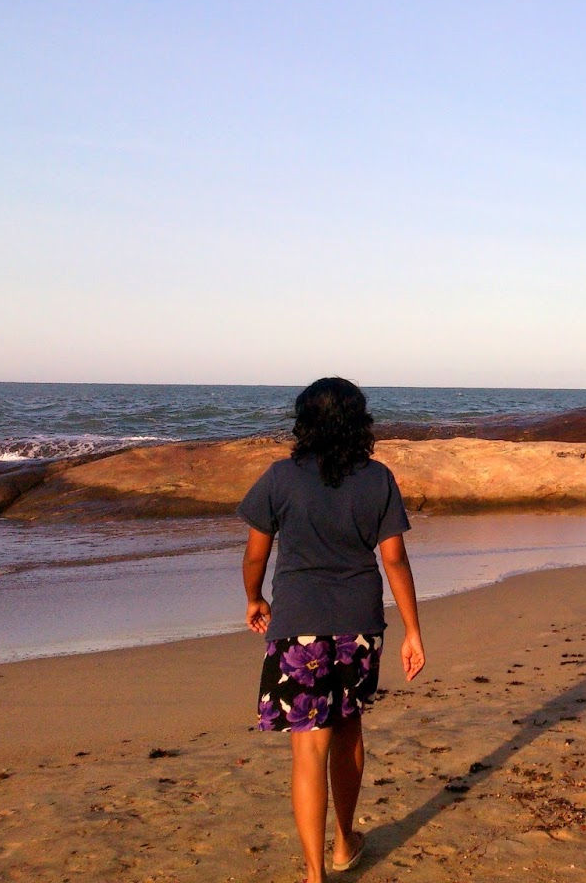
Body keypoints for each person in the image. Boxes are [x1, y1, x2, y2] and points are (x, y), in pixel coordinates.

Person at [238, 377, 426, 883]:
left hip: (296, 624)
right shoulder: (377, 478)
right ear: (359, 422)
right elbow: (395, 559)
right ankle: (344, 842)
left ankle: (314, 874)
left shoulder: (280, 477)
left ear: (304, 422)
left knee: (308, 749)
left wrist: (254, 598)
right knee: (347, 731)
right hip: (357, 624)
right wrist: (412, 630)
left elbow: (255, 554)